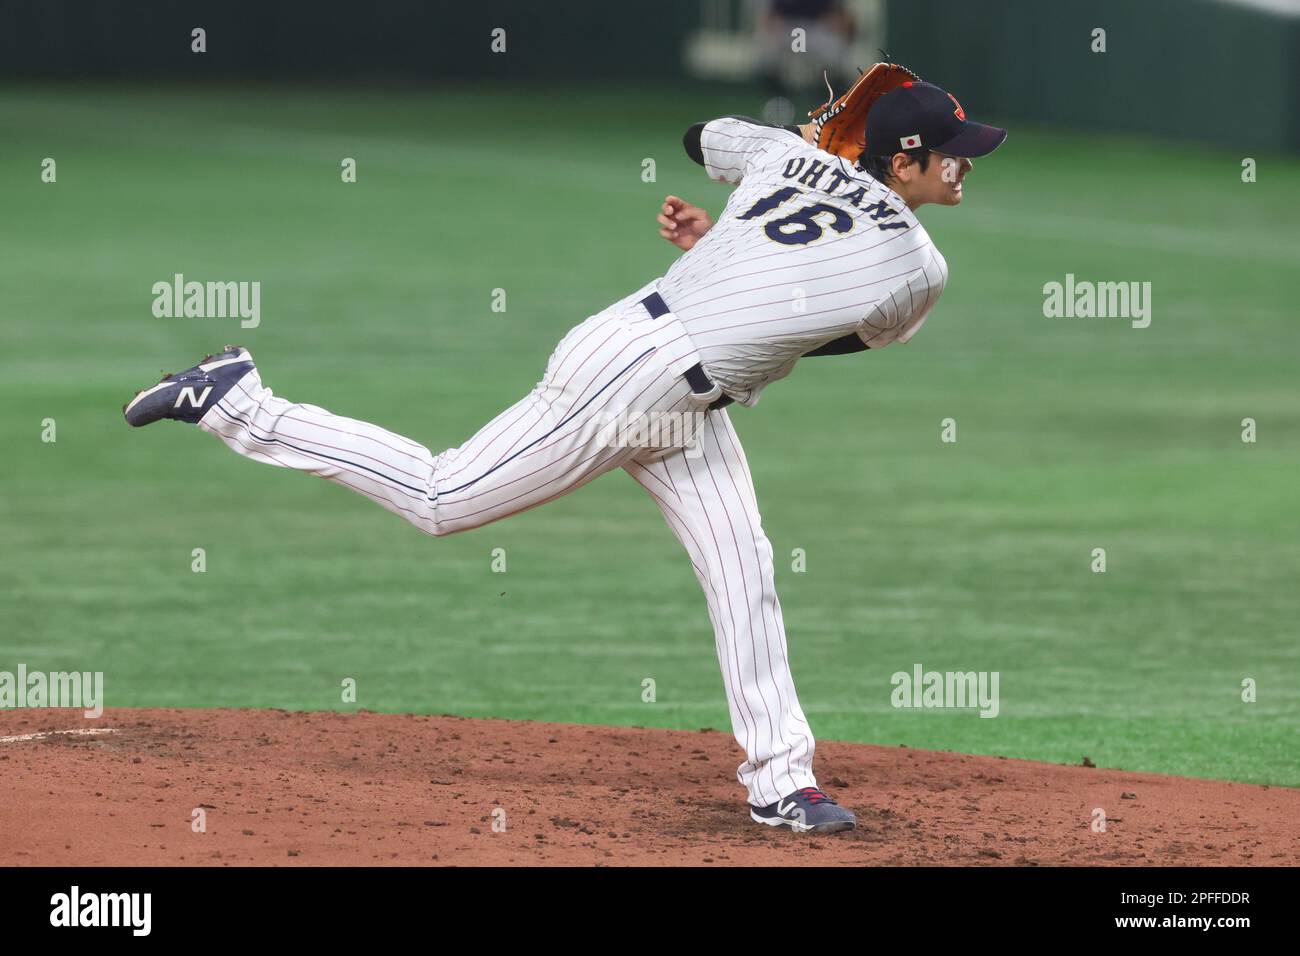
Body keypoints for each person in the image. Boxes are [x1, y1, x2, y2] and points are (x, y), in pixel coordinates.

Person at [123, 79, 1005, 834]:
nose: (967, 163)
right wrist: (748, 246)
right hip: (629, 380)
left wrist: (785, 172)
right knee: (442, 496)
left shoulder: (781, 155)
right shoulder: (916, 266)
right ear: (903, 162)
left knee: (745, 567)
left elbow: (700, 137)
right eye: (952, 152)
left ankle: (781, 781)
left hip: (676, 385)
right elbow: (841, 335)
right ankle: (239, 401)